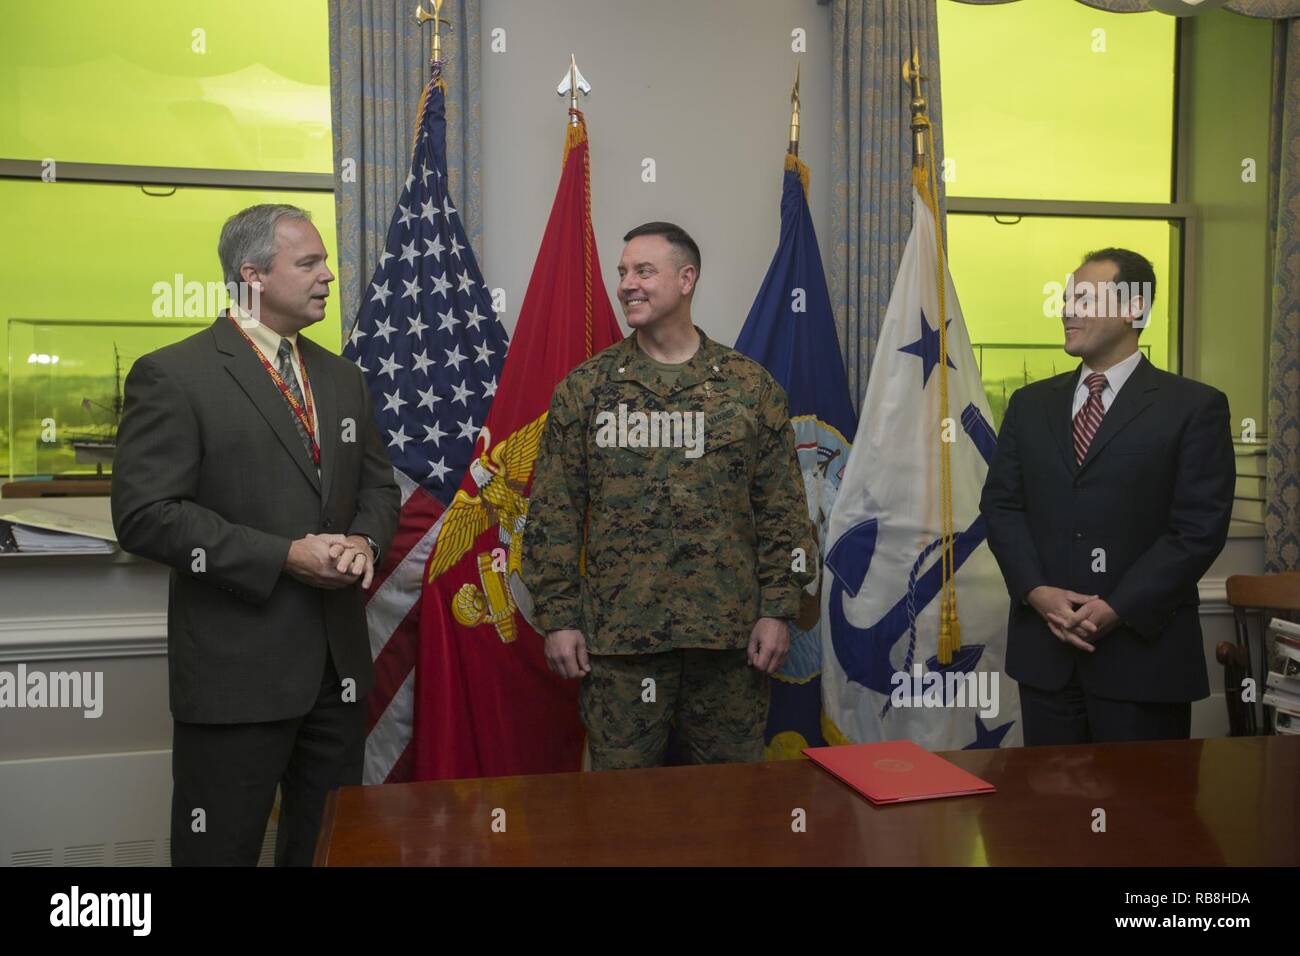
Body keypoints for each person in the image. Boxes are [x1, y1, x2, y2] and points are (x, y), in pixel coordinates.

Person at [112, 203, 399, 865]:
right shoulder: (175, 375)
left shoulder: (342, 377)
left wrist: (365, 543)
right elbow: (144, 514)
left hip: (338, 677)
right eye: (310, 263)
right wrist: (283, 556)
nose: (330, 275)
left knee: (327, 852)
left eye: (325, 260)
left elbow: (380, 490)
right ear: (253, 276)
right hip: (236, 679)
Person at [521, 221, 816, 770]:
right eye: (622, 272)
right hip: (621, 649)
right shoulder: (588, 390)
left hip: (730, 645)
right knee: (624, 815)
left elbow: (785, 514)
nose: (627, 284)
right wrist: (559, 617)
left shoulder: (749, 388)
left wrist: (779, 610)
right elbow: (553, 515)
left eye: (643, 271)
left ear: (686, 279)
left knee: (730, 810)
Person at [979, 247, 1234, 745]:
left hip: (1143, 662)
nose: (1066, 309)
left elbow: (1197, 530)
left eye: (1084, 298)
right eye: (1067, 297)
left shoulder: (1194, 407)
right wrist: (1036, 592)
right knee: (1050, 819)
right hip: (1046, 661)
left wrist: (1117, 606)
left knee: (1143, 818)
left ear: (1133, 310)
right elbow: (1002, 507)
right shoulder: (1030, 404)